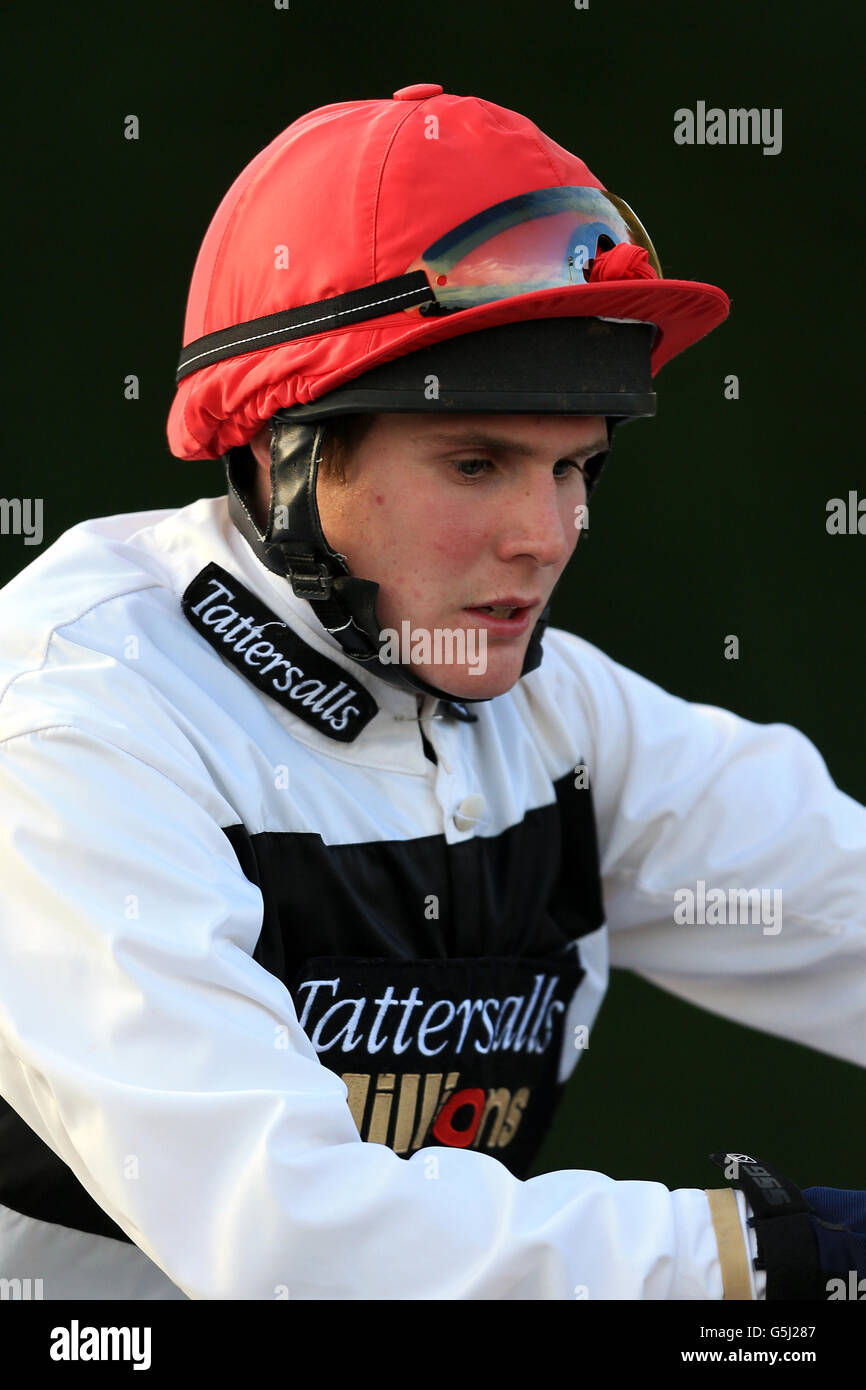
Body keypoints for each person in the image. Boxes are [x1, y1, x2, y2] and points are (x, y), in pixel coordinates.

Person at [0, 82, 863, 1303]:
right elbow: (290, 1244)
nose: (544, 535)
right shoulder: (69, 717)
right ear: (276, 451)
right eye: (475, 462)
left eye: (576, 465)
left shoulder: (556, 715)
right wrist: (765, 1254)